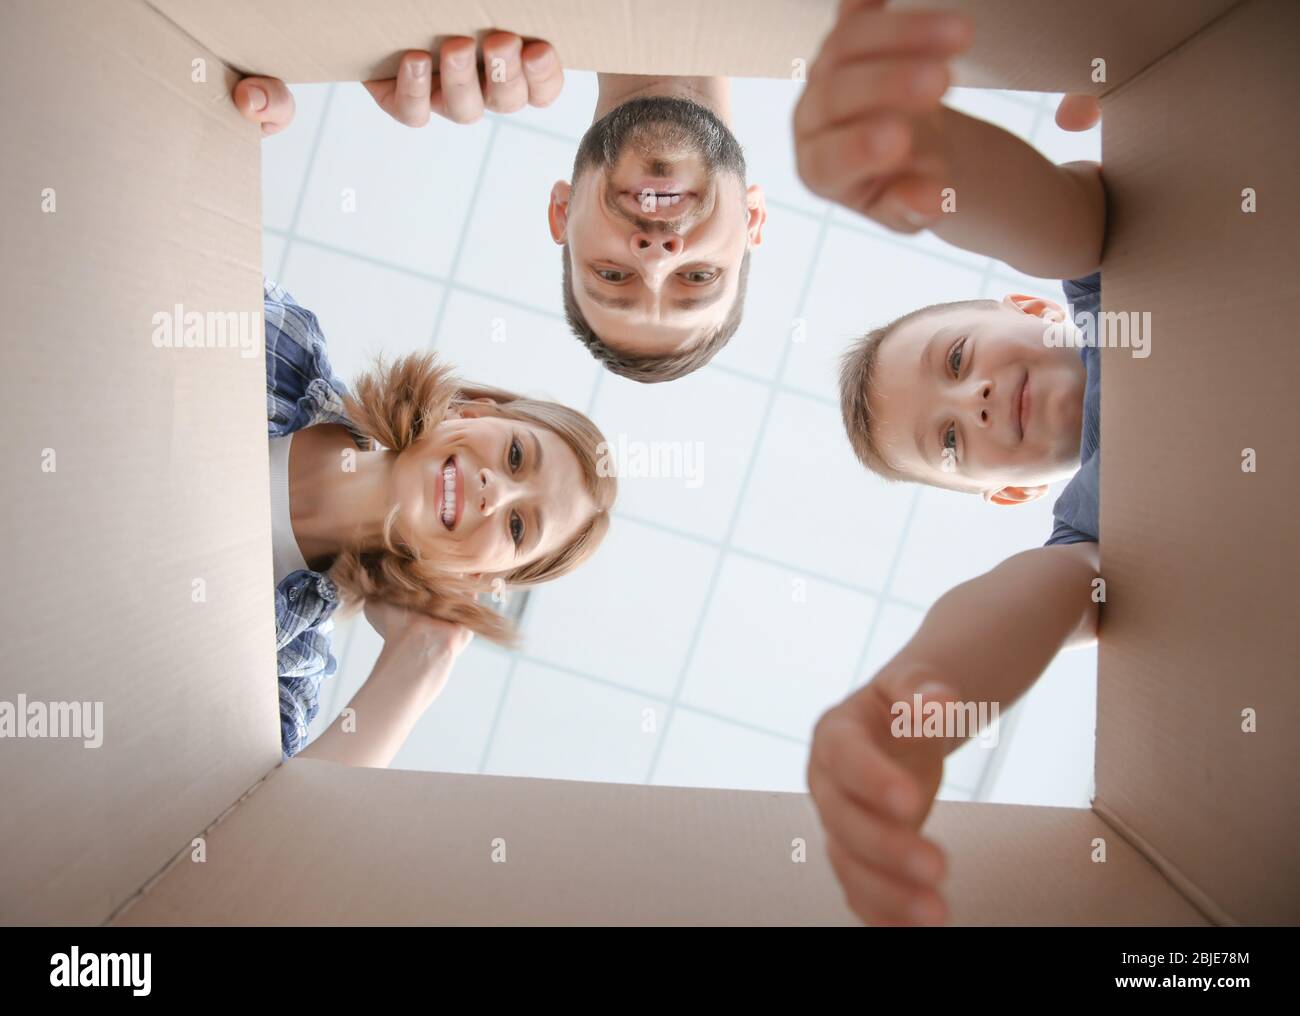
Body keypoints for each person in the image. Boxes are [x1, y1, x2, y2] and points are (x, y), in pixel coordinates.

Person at [793, 1, 1107, 926]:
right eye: (950, 441)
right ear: (1003, 490)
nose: (968, 403)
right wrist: (916, 710)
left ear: (1017, 301)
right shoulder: (1090, 541)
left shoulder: (1102, 272)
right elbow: (1026, 601)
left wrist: (931, 165)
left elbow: (1050, 217)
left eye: (958, 360)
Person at [239, 59, 618, 769]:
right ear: (472, 411)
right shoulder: (284, 345)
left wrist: (422, 662)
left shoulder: (288, 670)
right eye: (514, 457)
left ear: (477, 581)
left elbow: (258, 848)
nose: (495, 491)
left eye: (516, 525)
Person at [236, 33, 767, 384]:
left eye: (612, 273)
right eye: (697, 276)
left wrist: (370, 34)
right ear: (752, 219)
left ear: (562, 211)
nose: (655, 257)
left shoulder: (483, 32)